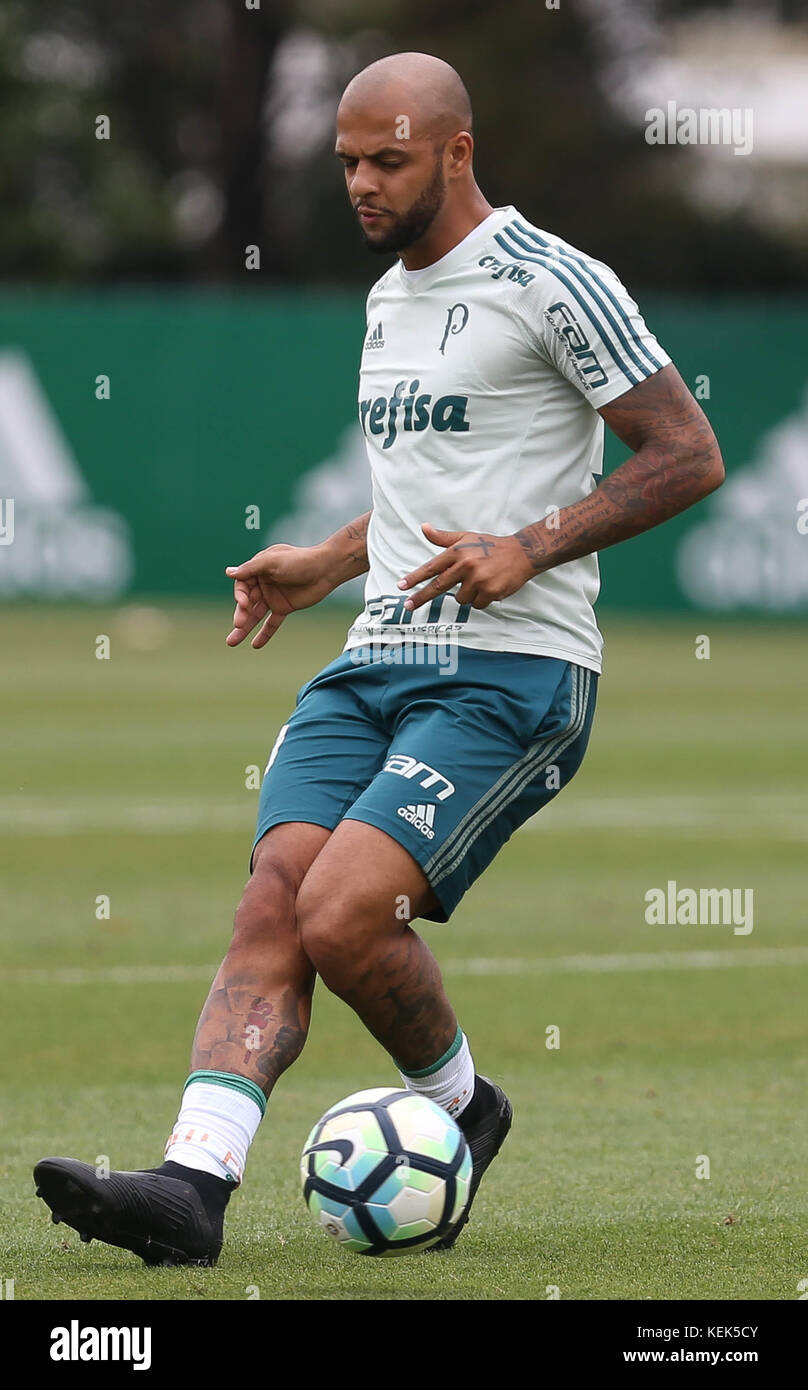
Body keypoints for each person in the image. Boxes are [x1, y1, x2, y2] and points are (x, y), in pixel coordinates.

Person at [34, 52, 724, 1265]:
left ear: (456, 153)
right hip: (373, 657)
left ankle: (464, 1110)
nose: (359, 181)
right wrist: (330, 561)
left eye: (386, 160)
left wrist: (536, 542)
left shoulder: (553, 280)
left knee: (346, 914)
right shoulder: (385, 297)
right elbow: (424, 491)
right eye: (347, 158)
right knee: (272, 900)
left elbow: (686, 450)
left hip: (512, 668)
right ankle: (191, 1191)